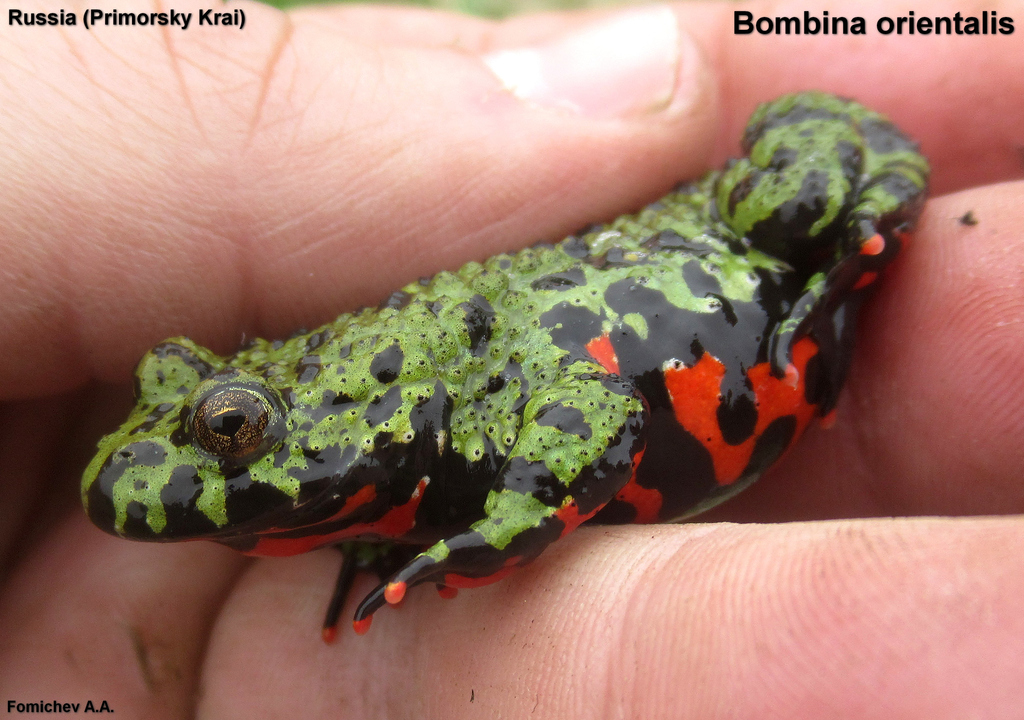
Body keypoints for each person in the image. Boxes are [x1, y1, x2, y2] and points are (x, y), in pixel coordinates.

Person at [1, 0, 1022, 715]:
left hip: (723, 239)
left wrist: (513, 518)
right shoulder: (400, 440)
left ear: (348, 415)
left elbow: (597, 419)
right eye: (212, 427)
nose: (155, 460)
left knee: (792, 197)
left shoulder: (458, 413)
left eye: (230, 432)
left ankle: (849, 237)